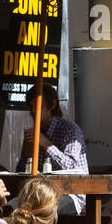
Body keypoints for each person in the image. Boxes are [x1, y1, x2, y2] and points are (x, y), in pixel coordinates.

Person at [22, 84, 88, 214]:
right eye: (30, 106)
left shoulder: (69, 130)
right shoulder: (34, 132)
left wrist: (46, 143)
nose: (33, 111)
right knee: (9, 208)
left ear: (52, 105)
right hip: (38, 193)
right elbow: (22, 169)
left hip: (70, 194)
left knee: (41, 210)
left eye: (38, 105)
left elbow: (72, 168)